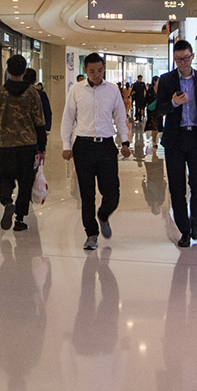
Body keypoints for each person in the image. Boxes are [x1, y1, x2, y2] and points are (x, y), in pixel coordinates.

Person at [154, 40, 197, 248]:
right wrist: (173, 103)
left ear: (192, 56)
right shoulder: (166, 80)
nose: (182, 62)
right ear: (174, 59)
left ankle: (194, 217)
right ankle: (184, 229)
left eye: (186, 58)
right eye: (178, 59)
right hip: (175, 138)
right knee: (176, 187)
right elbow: (158, 110)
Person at [61, 51, 130, 251]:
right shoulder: (76, 90)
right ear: (85, 70)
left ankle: (103, 214)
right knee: (87, 193)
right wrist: (66, 145)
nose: (96, 74)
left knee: (112, 193)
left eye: (100, 70)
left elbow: (119, 117)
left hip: (107, 145)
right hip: (83, 146)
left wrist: (124, 141)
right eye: (92, 71)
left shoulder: (113, 90)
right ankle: (91, 234)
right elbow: (68, 118)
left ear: (104, 69)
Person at [0, 53, 46, 230]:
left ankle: (7, 203)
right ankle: (20, 219)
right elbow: (39, 122)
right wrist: (42, 147)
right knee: (25, 182)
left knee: (5, 178)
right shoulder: (32, 94)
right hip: (27, 146)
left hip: (6, 145)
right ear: (24, 71)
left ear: (7, 70)